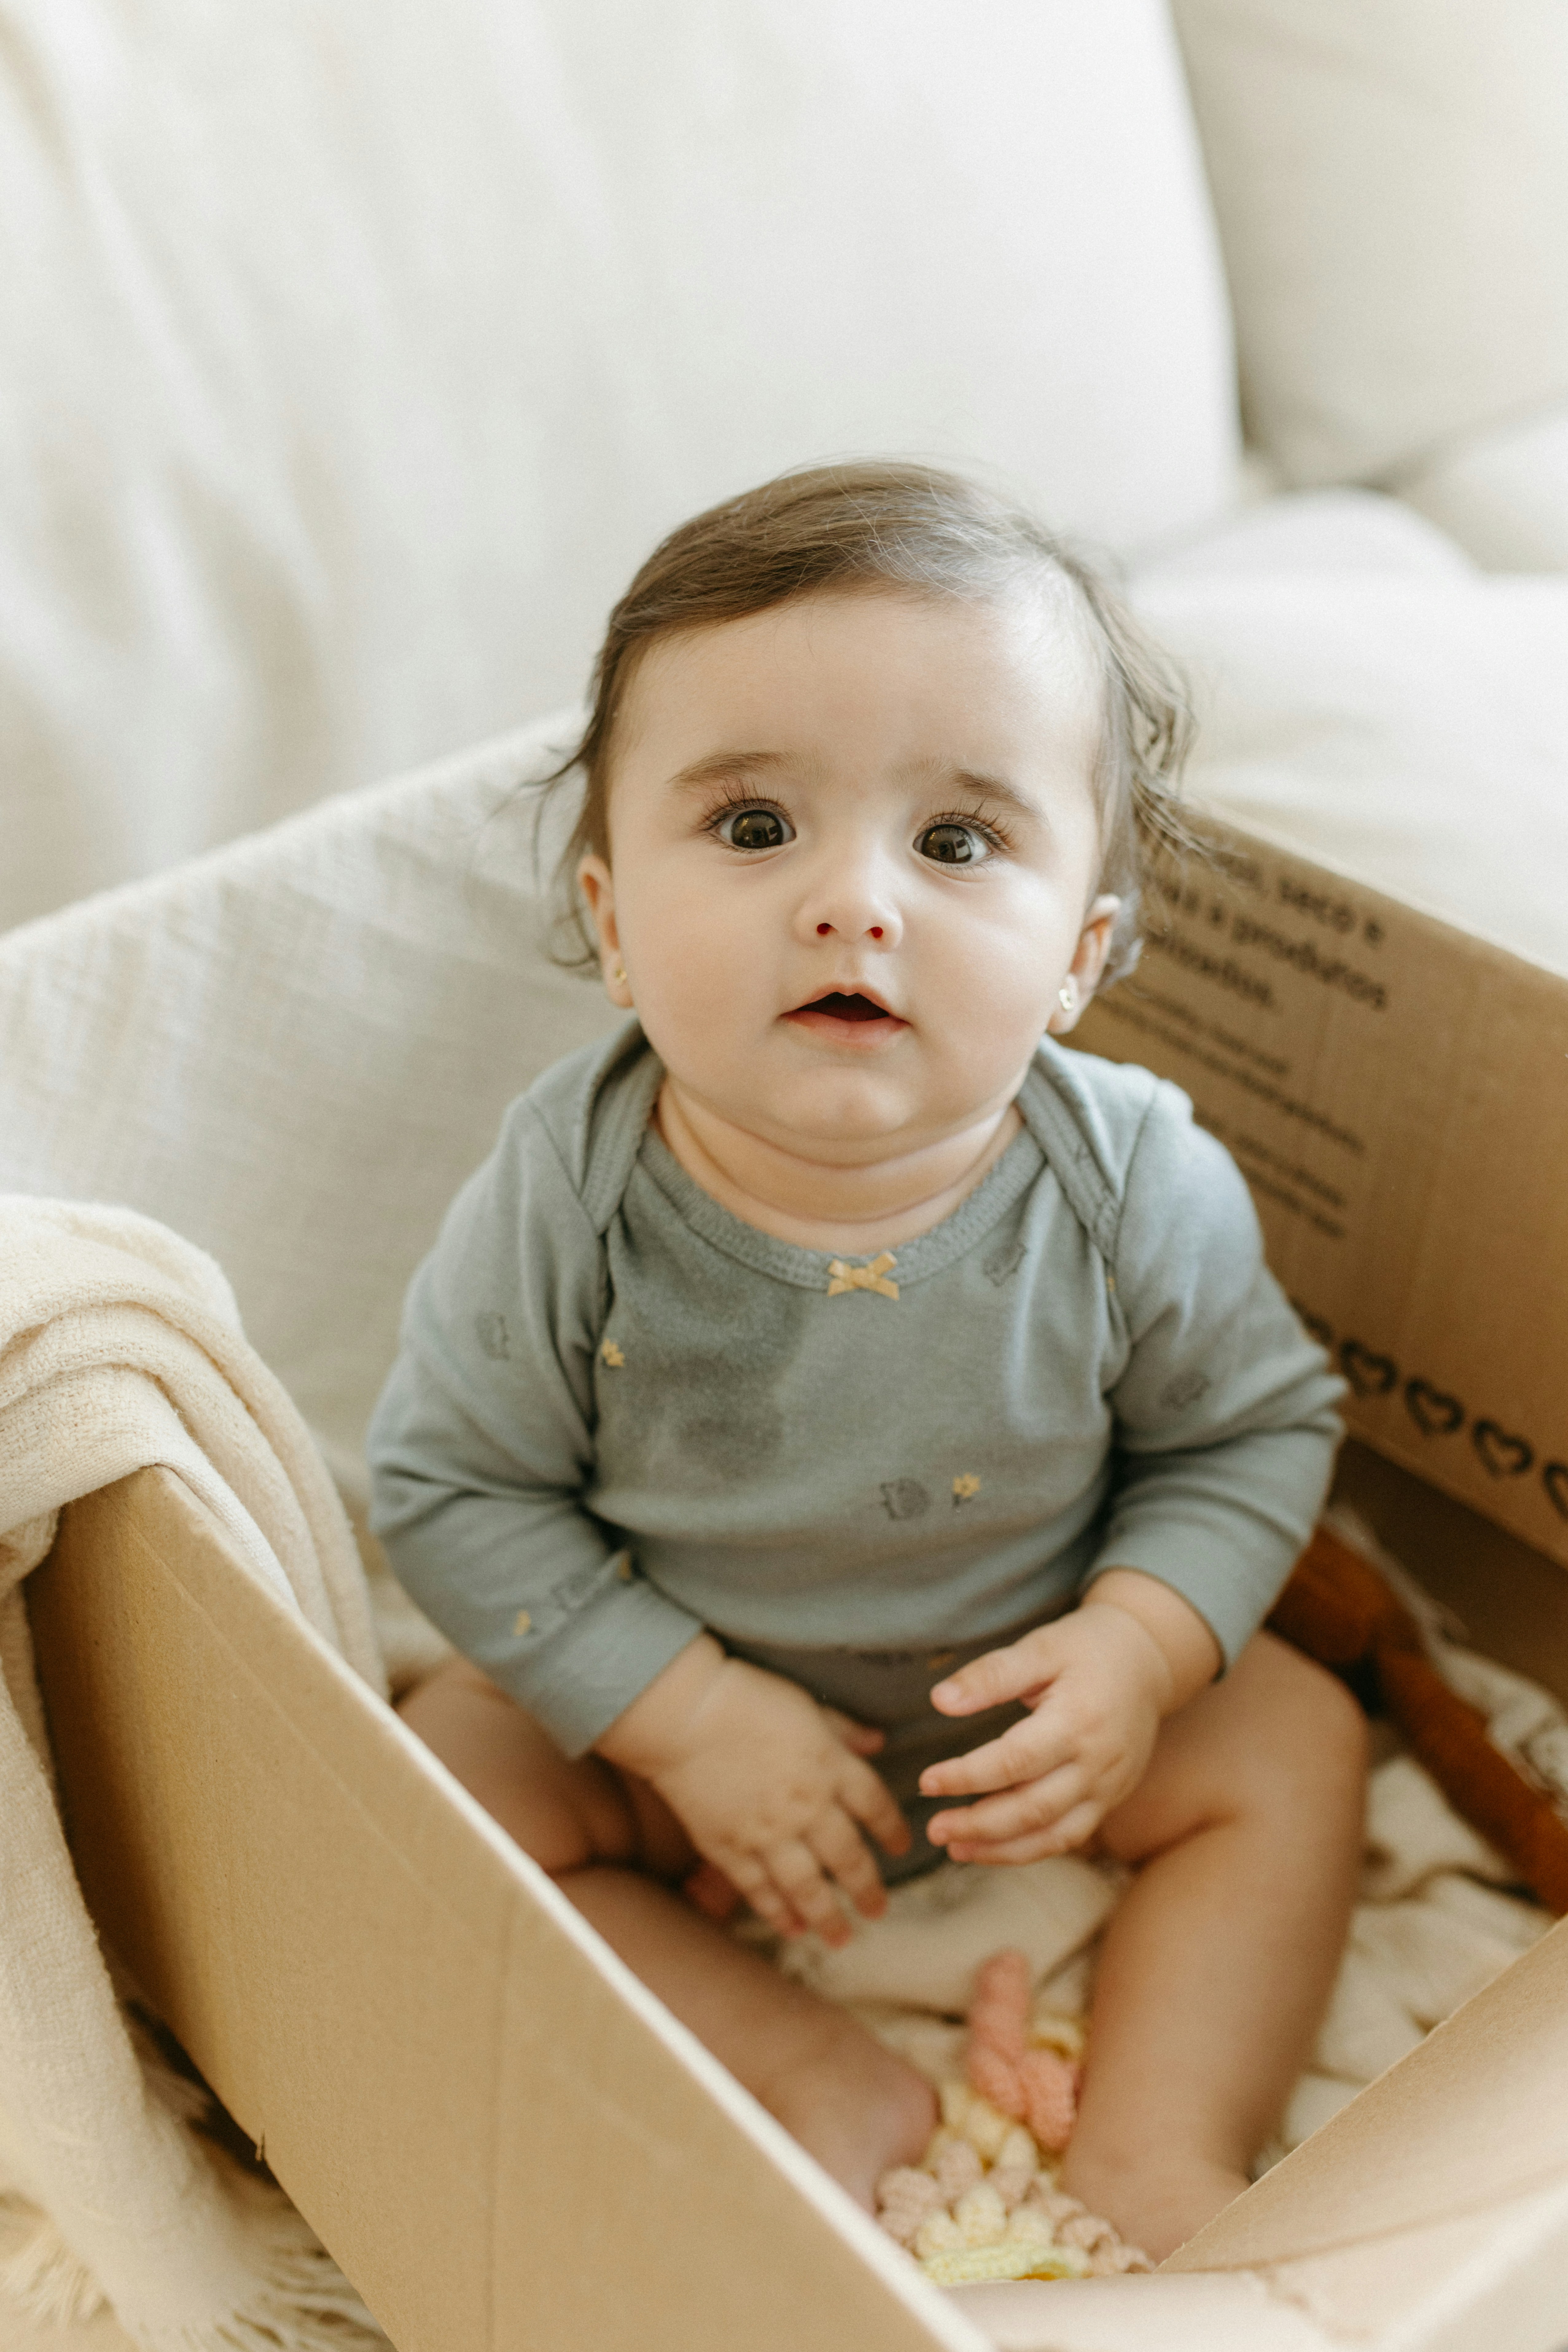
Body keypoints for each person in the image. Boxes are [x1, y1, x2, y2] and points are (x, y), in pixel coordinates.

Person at [367, 462, 1367, 2261]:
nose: (851, 902)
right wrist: (680, 1718)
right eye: (753, 829)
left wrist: (1137, 1652)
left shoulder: (1134, 1180)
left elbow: (1251, 1434)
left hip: (1028, 1719)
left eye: (957, 841)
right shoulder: (565, 1192)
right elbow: (454, 1485)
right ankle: (805, 2076)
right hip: (687, 1736)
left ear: (1079, 959)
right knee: (434, 1781)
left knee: (1291, 1736)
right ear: (609, 920)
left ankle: (1157, 2150)